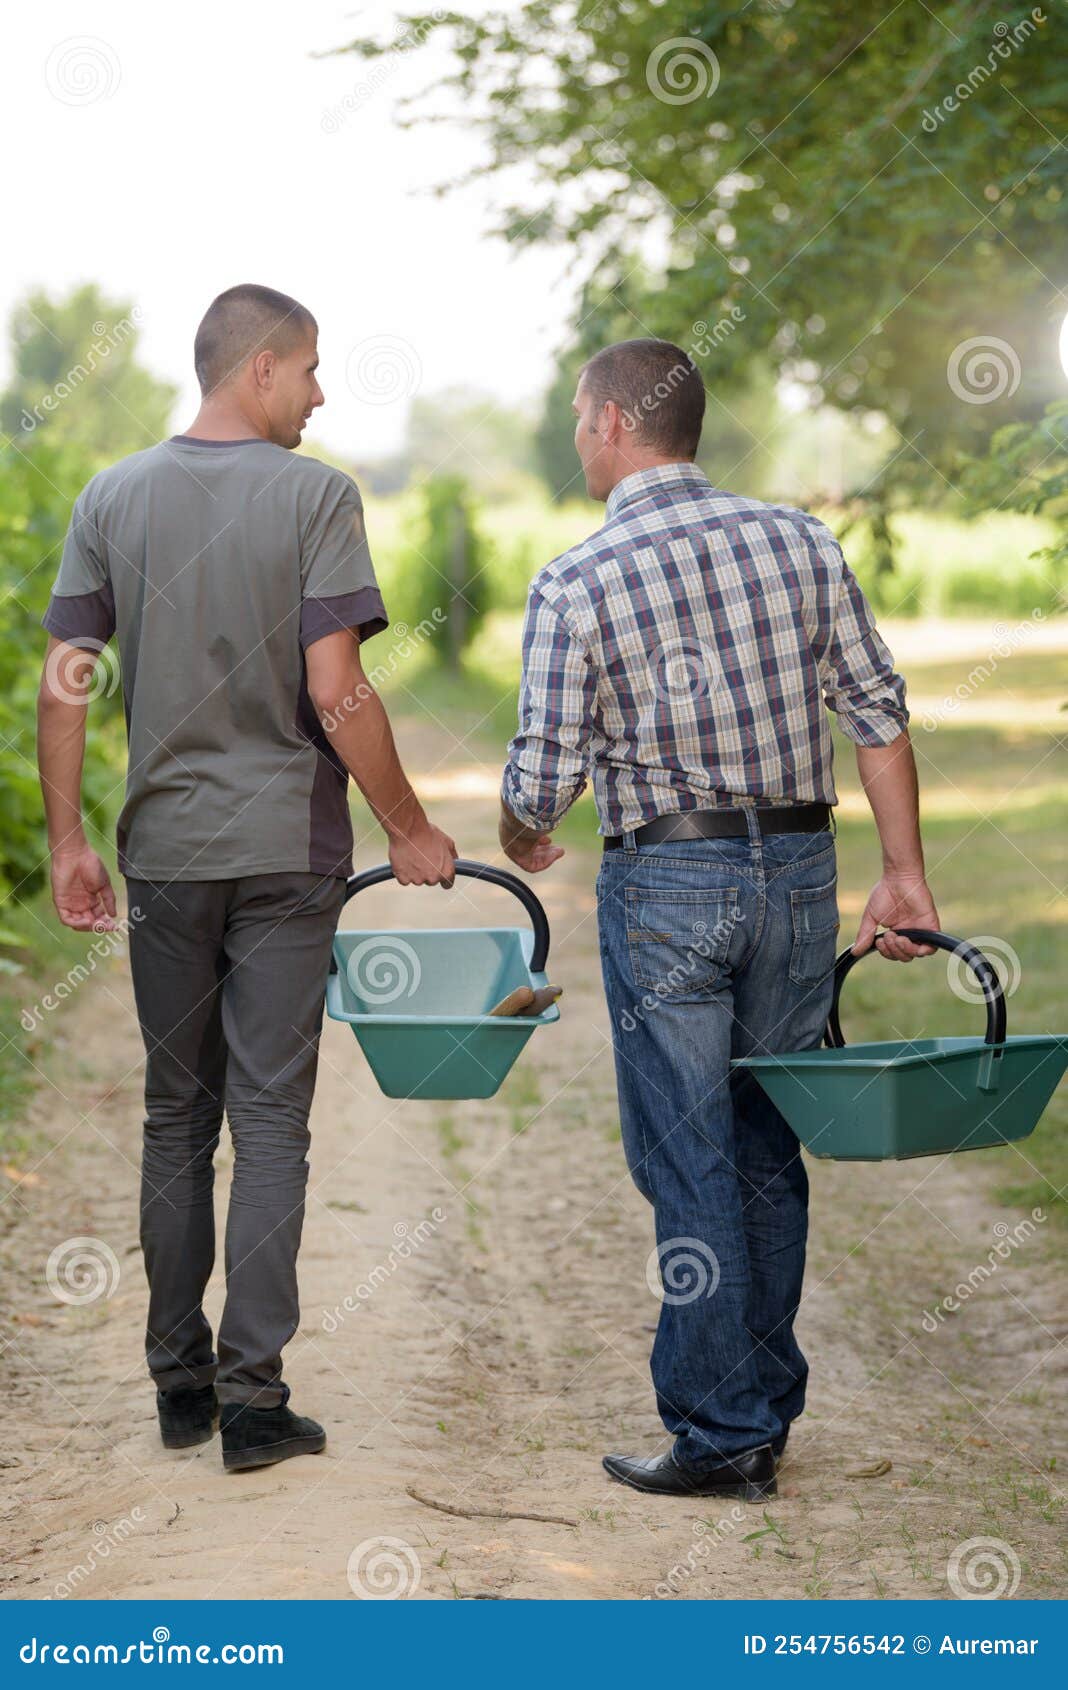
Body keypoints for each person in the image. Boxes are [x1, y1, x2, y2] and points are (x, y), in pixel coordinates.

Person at [498, 338, 938, 1501]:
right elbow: (878, 714)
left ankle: (723, 1424)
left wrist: (519, 835)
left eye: (580, 419)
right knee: (762, 1140)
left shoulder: (577, 582)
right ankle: (761, 1404)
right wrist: (905, 873)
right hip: (798, 870)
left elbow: (541, 777)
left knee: (684, 1153)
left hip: (669, 887)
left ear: (606, 423)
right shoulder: (798, 540)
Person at [37, 283, 457, 1472]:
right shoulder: (318, 496)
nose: (322, 395)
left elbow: (66, 680)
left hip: (165, 853)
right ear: (261, 366)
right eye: (314, 369)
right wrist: (410, 826)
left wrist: (72, 840)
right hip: (284, 853)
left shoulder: (112, 495)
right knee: (271, 1122)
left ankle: (179, 1387)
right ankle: (254, 1403)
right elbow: (339, 691)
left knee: (178, 1116)